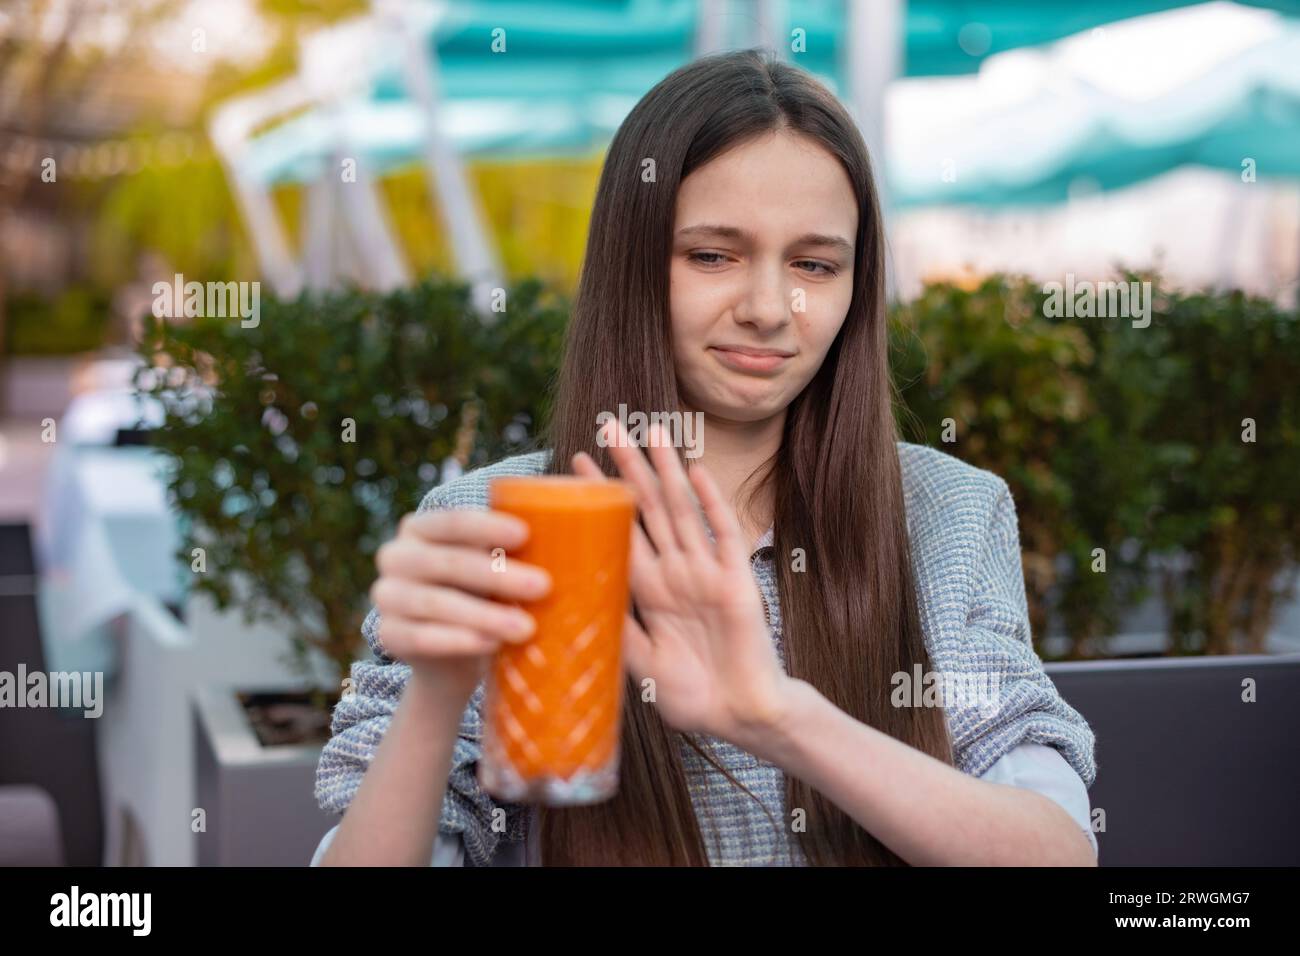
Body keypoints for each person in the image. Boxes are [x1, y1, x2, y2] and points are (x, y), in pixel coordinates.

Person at [312, 48, 1098, 867]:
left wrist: (778, 717)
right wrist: (437, 698)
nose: (767, 308)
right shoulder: (499, 521)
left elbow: (1056, 855)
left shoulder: (944, 512)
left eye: (814, 265)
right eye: (712, 255)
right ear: (633, 263)